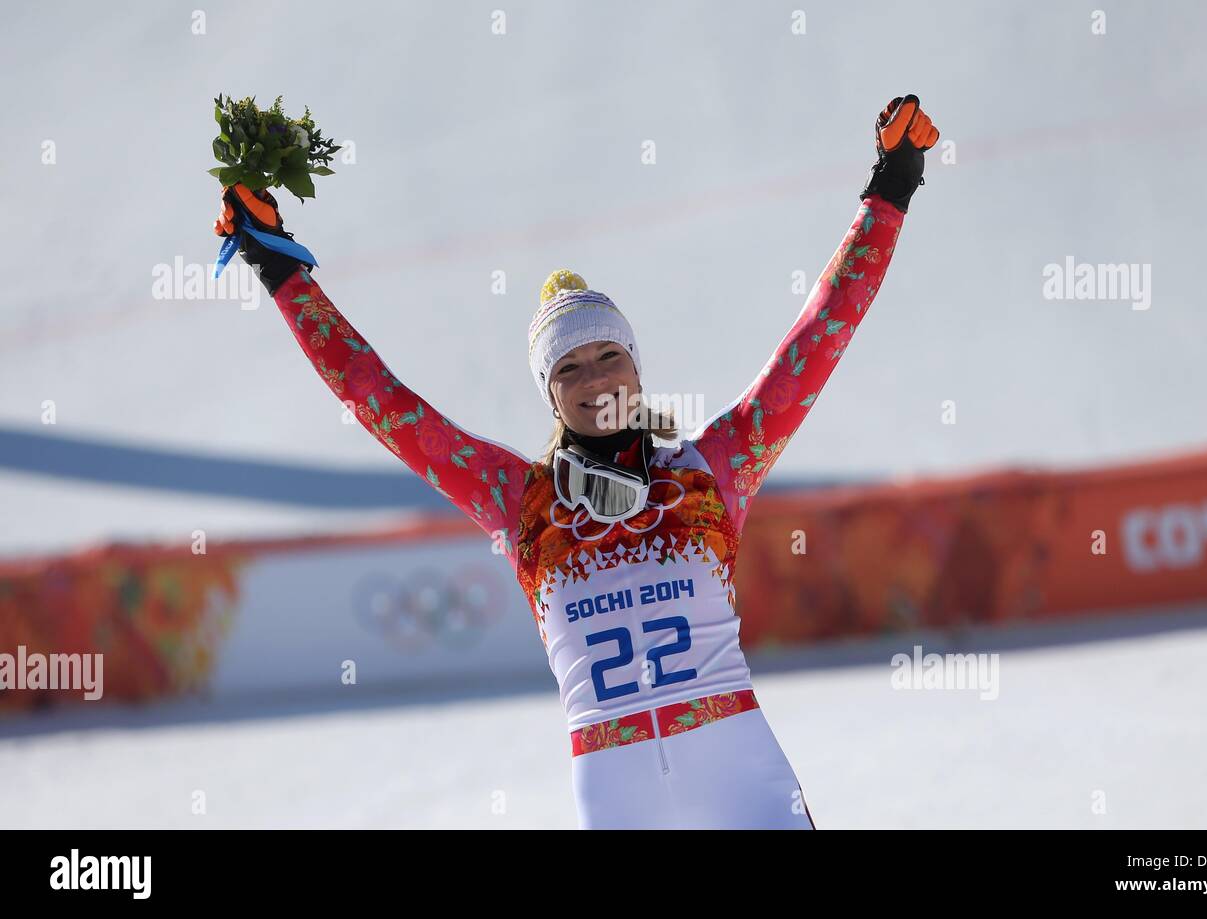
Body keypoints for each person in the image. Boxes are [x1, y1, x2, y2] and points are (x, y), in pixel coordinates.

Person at [214, 95, 939, 829]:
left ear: (636, 366)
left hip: (744, 783)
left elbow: (817, 339)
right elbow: (380, 399)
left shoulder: (709, 471)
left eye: (608, 357)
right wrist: (280, 271)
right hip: (621, 799)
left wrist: (891, 190)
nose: (596, 380)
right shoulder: (517, 500)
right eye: (570, 369)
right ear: (548, 393)